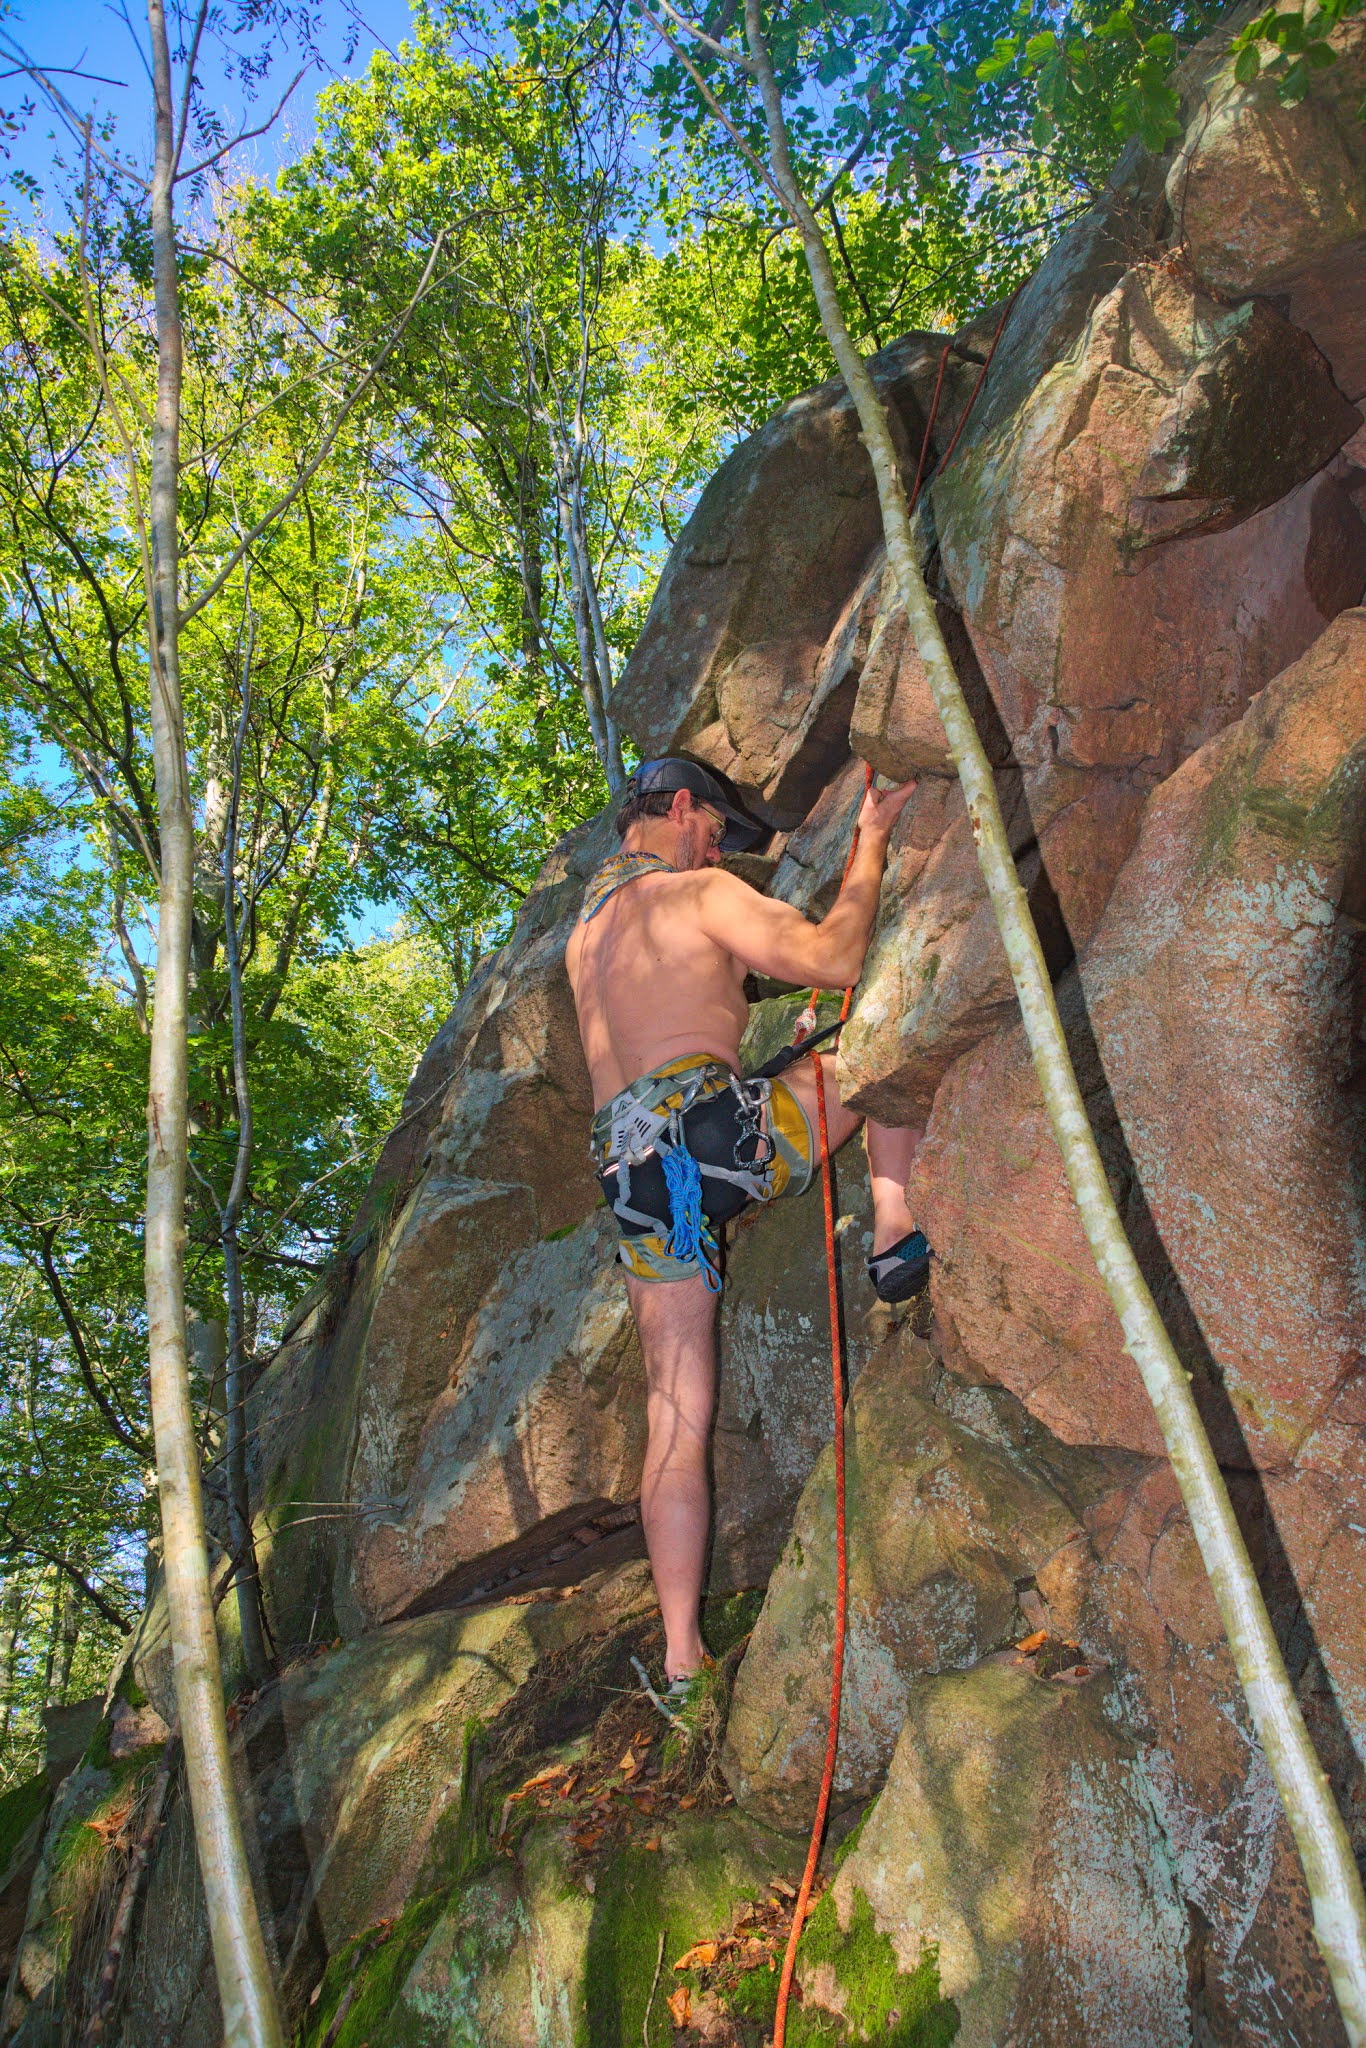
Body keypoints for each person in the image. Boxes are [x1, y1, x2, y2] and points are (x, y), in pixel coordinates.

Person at [565, 757, 928, 1689]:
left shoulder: (585, 936)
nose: (720, 846)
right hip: (710, 1131)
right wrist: (871, 846)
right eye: (716, 827)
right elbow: (836, 959)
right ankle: (893, 1226)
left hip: (633, 1175)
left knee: (674, 1414)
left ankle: (682, 1657)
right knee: (880, 1034)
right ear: (680, 809)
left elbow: (693, 998)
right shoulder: (697, 891)